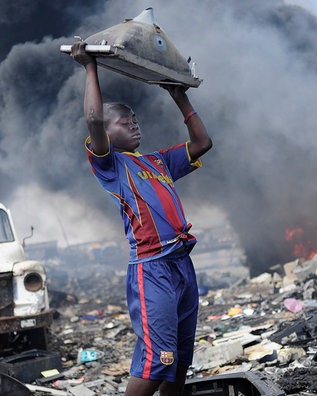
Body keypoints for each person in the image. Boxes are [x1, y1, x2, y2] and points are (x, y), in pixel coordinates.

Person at [70, 42, 213, 396]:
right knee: (159, 359)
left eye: (135, 120)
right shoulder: (111, 165)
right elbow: (92, 117)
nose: (134, 124)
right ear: (106, 130)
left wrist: (179, 97)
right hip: (152, 269)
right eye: (124, 120)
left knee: (180, 359)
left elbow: (203, 143)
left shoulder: (158, 161)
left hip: (182, 265)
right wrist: (90, 66)